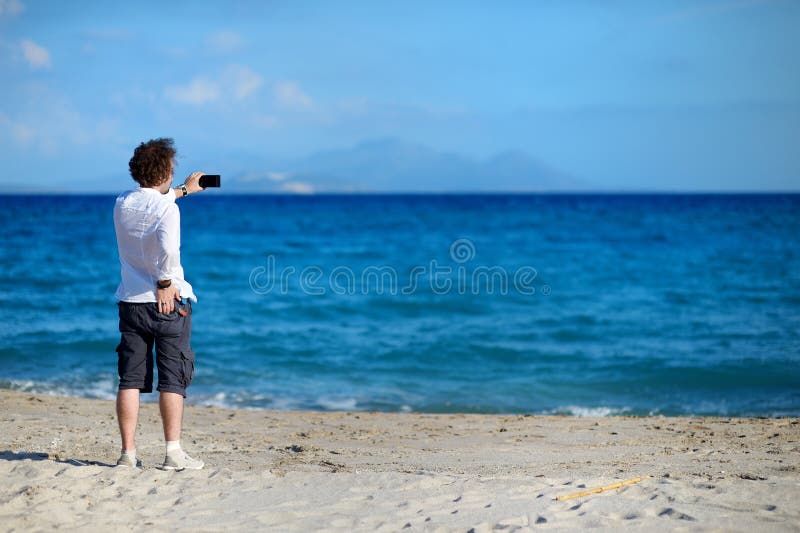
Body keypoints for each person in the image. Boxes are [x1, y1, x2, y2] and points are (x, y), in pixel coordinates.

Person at [112, 137, 207, 470]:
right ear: (167, 170)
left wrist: (184, 189)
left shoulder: (123, 201)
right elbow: (168, 251)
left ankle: (128, 454)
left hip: (130, 301)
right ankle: (173, 453)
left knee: (130, 379)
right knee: (172, 376)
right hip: (165, 301)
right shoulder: (168, 209)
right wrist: (165, 284)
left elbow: (153, 199)